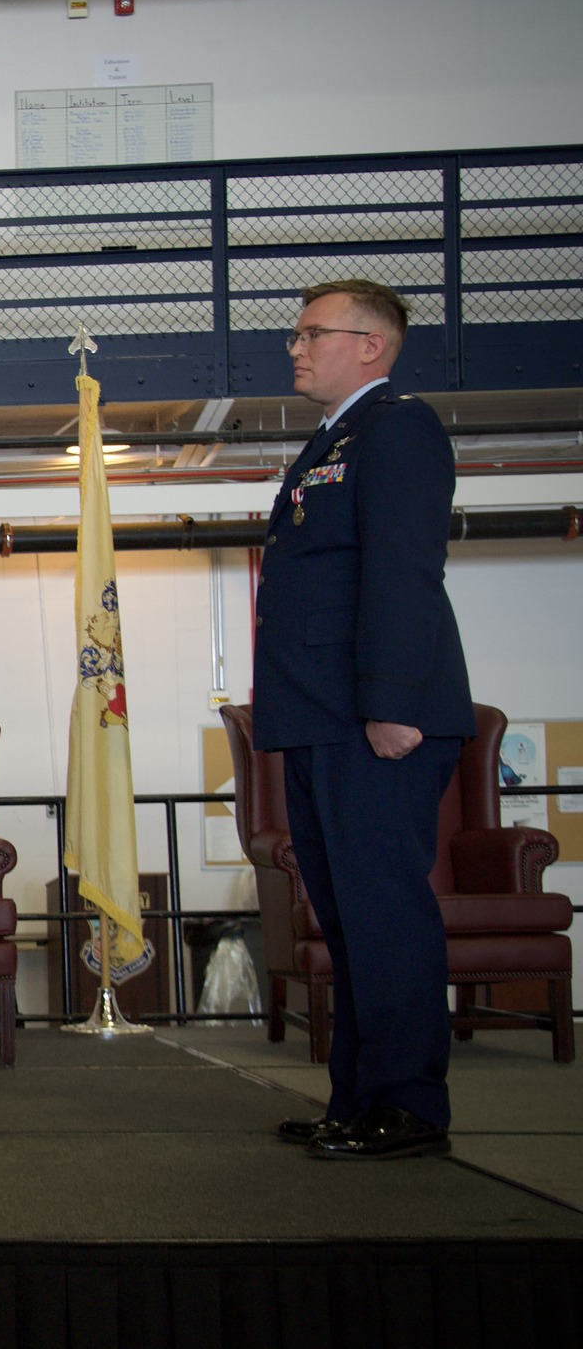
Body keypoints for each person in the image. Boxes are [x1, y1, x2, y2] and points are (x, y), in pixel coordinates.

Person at [253, 279, 474, 1161]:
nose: (296, 348)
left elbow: (403, 571)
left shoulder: (398, 428)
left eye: (312, 333)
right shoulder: (337, 437)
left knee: (386, 914)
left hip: (373, 717)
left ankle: (411, 1103)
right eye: (297, 333)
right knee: (347, 918)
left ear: (371, 344)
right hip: (321, 715)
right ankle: (358, 1098)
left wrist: (390, 702)